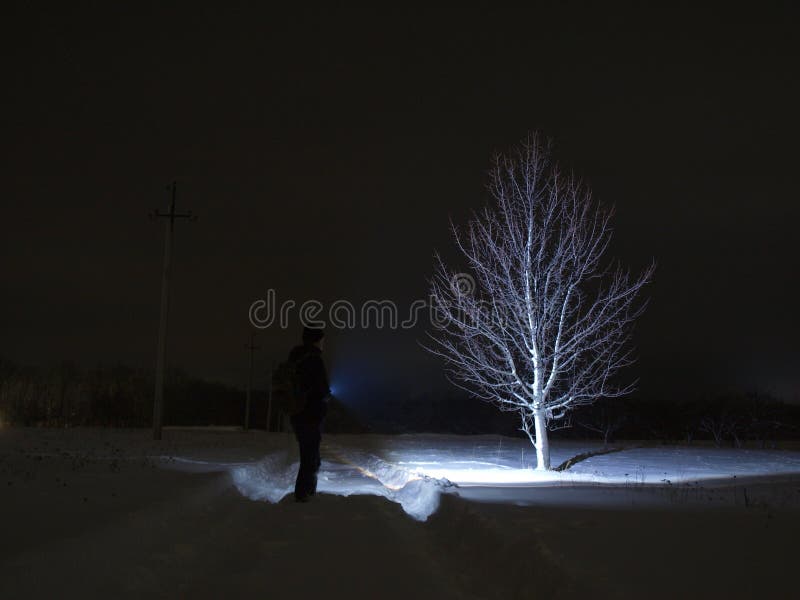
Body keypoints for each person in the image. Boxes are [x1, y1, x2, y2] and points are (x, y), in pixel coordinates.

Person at [288, 326, 330, 502]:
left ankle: (306, 494)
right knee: (310, 457)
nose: (323, 343)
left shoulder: (296, 357)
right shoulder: (313, 359)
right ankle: (304, 495)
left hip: (298, 413)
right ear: (316, 340)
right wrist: (325, 395)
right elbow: (319, 388)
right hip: (310, 414)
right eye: (321, 339)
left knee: (309, 454)